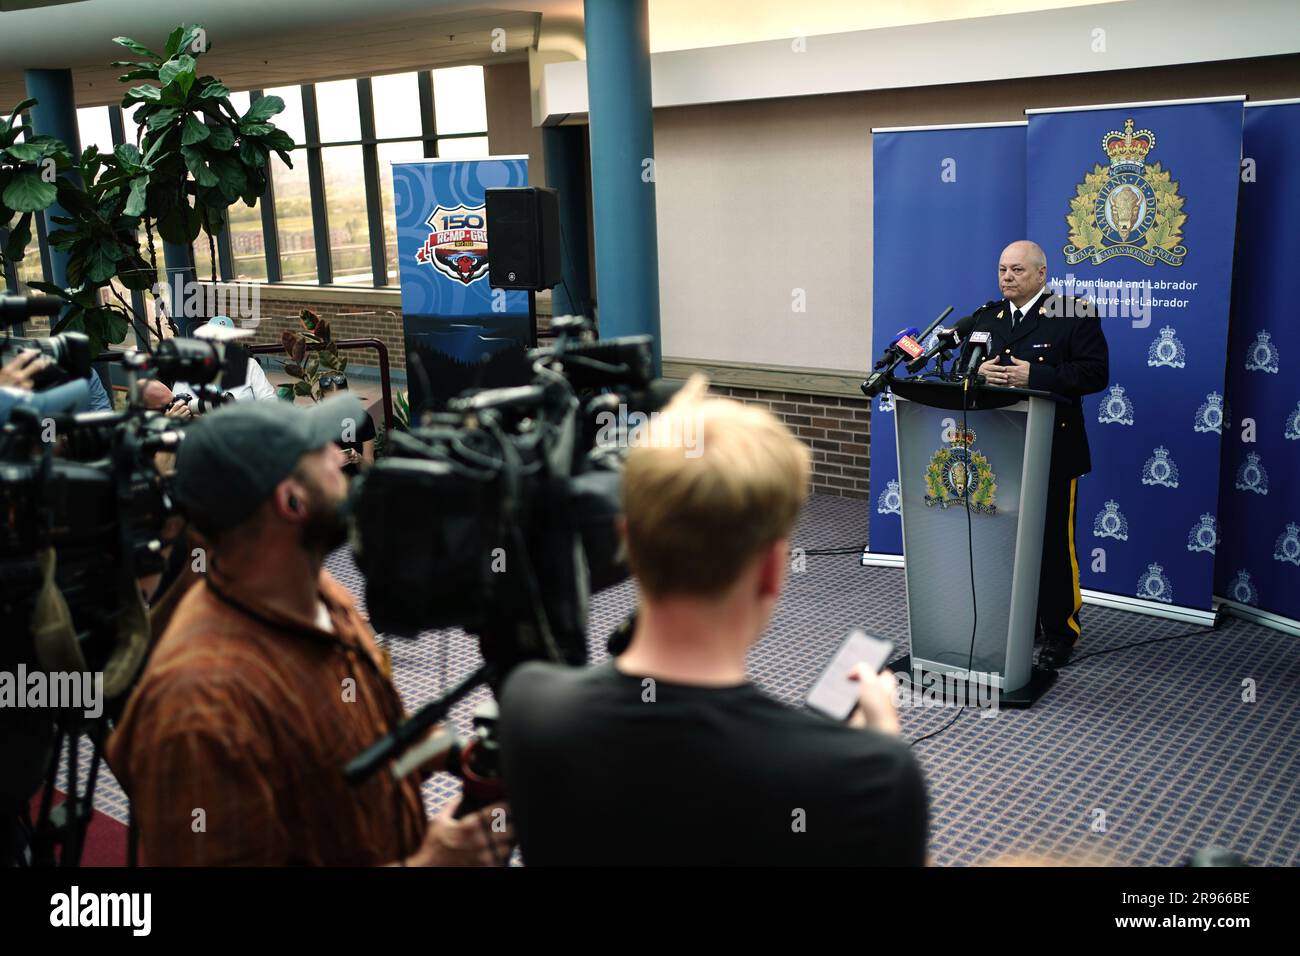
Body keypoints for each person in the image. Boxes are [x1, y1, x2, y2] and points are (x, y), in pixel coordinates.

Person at [497, 376, 928, 866]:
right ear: (771, 568)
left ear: (627, 544)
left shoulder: (530, 707)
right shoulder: (864, 778)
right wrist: (879, 743)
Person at [107, 397, 513, 865]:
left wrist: (458, 756)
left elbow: (370, 740)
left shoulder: (314, 588)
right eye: (322, 452)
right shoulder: (200, 707)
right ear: (291, 501)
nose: (341, 456)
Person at [967, 240, 1109, 671]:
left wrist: (1038, 374)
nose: (1007, 277)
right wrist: (977, 371)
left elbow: (1095, 373)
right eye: (1002, 269)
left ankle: (1061, 631)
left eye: (1017, 270)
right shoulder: (988, 317)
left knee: (1051, 543)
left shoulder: (1074, 313)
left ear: (1042, 275)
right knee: (1007, 539)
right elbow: (960, 366)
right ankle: (1020, 620)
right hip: (1000, 447)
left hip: (1053, 447)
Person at [319, 372, 375, 475]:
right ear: (322, 398)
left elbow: (369, 468)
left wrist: (359, 459)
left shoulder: (363, 418)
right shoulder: (316, 421)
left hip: (355, 485)